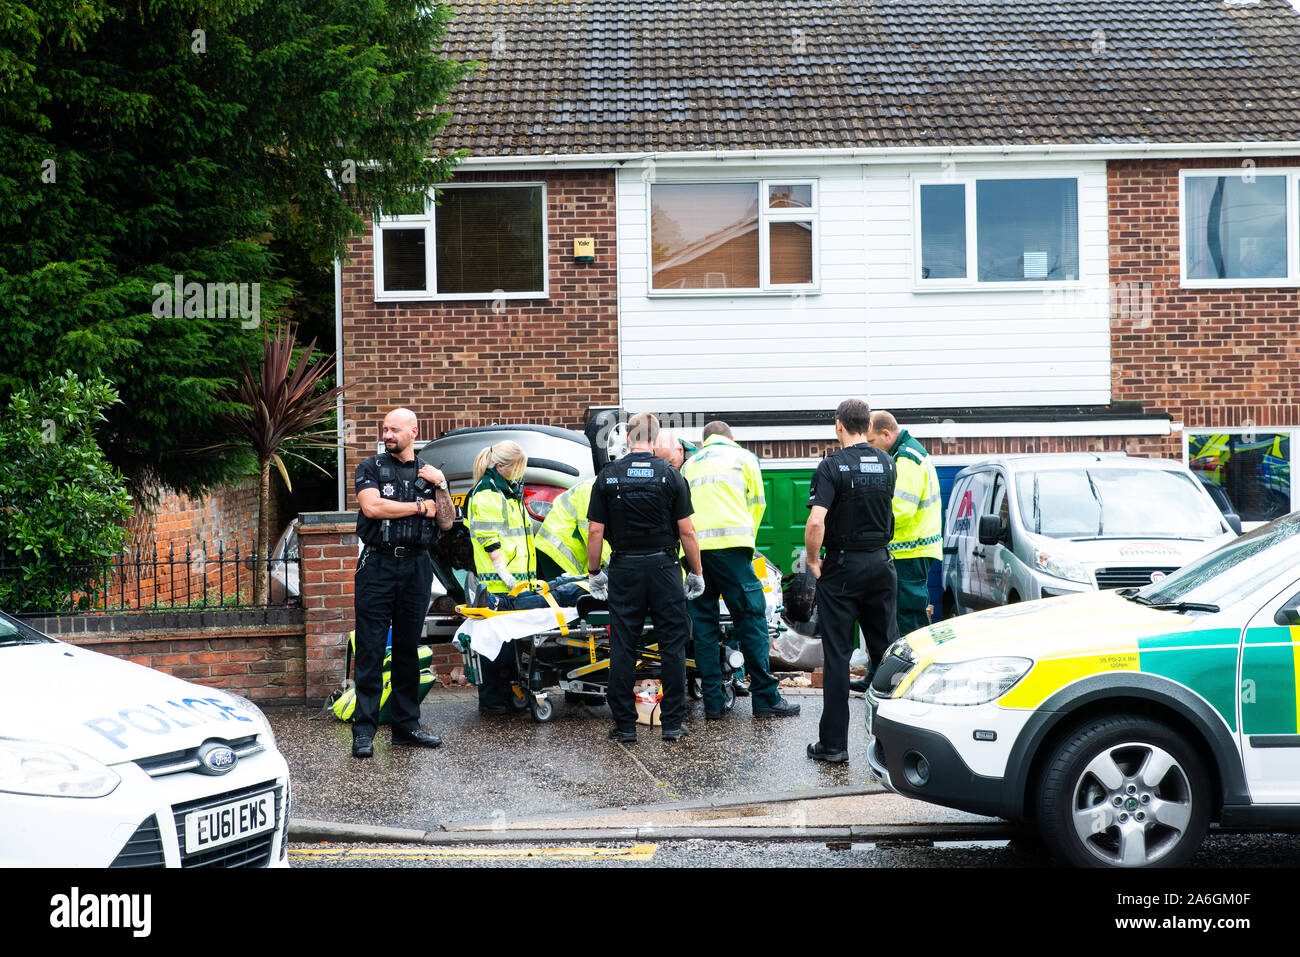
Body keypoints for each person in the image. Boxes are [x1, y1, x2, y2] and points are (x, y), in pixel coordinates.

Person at [587, 412, 704, 743]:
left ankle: (624, 726)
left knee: (624, 645)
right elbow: (687, 531)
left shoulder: (608, 477)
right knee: (672, 645)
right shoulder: (671, 475)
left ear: (627, 438)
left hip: (624, 570)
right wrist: (696, 572)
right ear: (655, 439)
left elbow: (595, 530)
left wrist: (595, 572)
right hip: (665, 569)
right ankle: (671, 724)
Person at [352, 408, 454, 758]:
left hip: (416, 566)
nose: (387, 434)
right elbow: (373, 508)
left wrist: (440, 486)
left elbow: (446, 523)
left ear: (414, 431)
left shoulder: (430, 473)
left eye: (394, 429)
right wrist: (418, 507)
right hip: (378, 565)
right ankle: (363, 731)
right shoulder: (370, 468)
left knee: (408, 649)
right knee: (370, 648)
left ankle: (406, 727)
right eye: (384, 429)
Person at [680, 421, 799, 721]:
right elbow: (757, 505)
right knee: (752, 618)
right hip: (733, 551)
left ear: (704, 441)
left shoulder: (689, 465)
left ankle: (713, 704)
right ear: (731, 437)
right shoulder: (744, 457)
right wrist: (748, 542)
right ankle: (765, 698)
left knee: (704, 627)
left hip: (696, 556)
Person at [803, 398, 897, 764]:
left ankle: (834, 746)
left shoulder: (832, 467)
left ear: (839, 425)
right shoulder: (888, 463)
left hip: (843, 568)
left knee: (838, 656)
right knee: (887, 655)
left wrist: (813, 560)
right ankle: (892, 745)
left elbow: (815, 522)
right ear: (867, 425)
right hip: (881, 564)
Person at [466, 441, 535, 713]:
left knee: (509, 646)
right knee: (496, 648)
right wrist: (505, 574)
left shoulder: (506, 492)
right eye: (517, 468)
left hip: (516, 584)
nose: (520, 473)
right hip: (497, 585)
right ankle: (494, 700)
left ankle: (505, 695)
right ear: (501, 467)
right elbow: (489, 540)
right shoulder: (486, 494)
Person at [867, 410, 943, 640]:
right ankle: (882, 671)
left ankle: (913, 671)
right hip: (909, 550)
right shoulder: (906, 453)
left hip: (910, 551)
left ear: (886, 434)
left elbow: (900, 511)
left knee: (907, 616)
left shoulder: (907, 458)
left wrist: (867, 529)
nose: (871, 447)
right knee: (895, 614)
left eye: (872, 441)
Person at [536, 477, 608, 580]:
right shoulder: (591, 489)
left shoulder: (599, 486)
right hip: (555, 548)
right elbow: (592, 531)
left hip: (559, 546)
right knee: (560, 592)